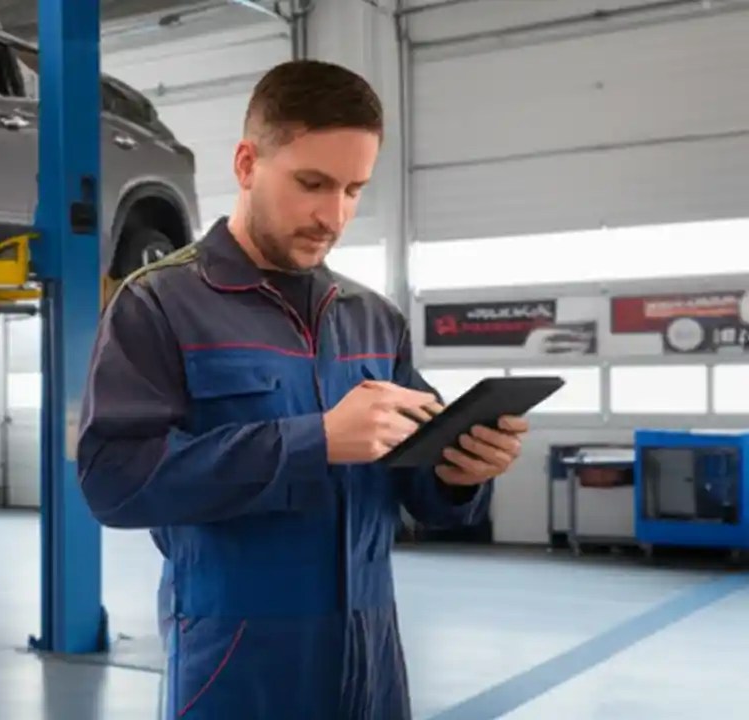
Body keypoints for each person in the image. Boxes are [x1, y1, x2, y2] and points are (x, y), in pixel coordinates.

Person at [76, 59, 530, 719]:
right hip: (236, 664)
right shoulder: (160, 304)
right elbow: (112, 481)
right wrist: (313, 442)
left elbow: (425, 496)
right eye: (311, 183)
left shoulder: (373, 318)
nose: (333, 215)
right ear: (245, 164)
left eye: (353, 189)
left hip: (370, 660)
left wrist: (463, 472)